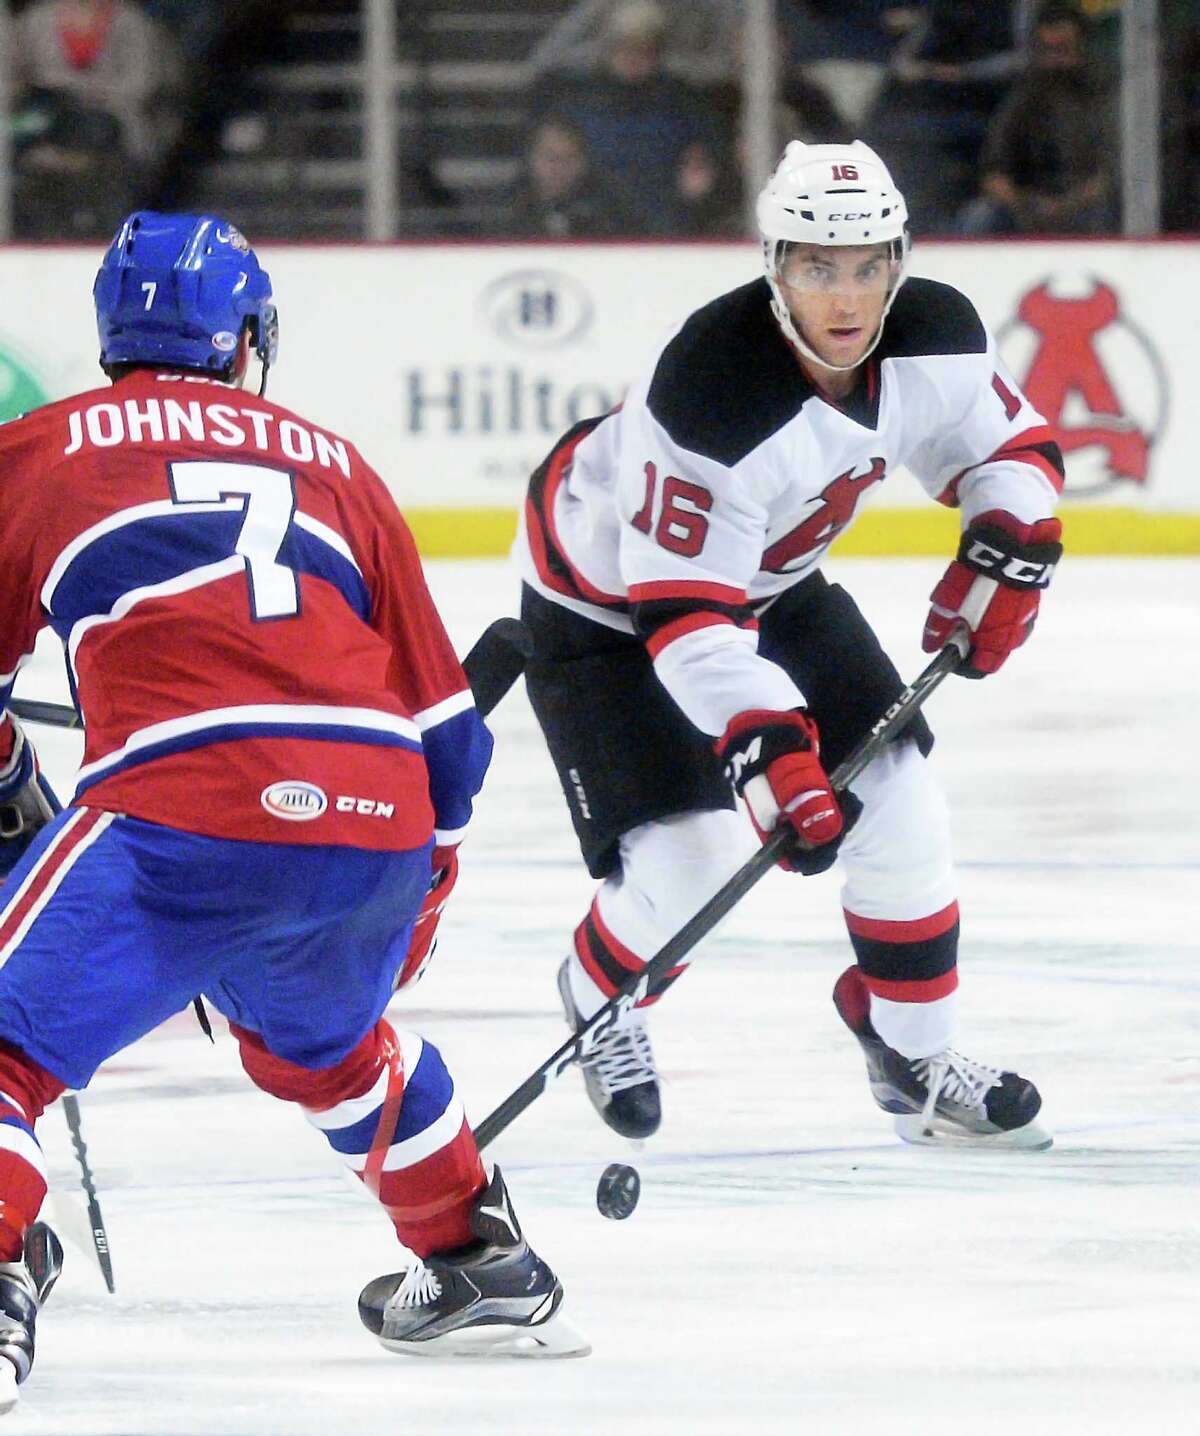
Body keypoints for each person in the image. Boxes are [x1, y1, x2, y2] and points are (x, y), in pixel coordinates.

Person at [0, 212, 587, 1411]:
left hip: (183, 804)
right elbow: (447, 734)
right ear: (246, 337)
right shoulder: (334, 460)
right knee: (325, 1049)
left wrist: (10, 773)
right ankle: (478, 1255)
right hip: (375, 813)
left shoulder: (46, 448)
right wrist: (414, 891)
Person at [515, 140, 1063, 1151]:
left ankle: (914, 1052)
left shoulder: (934, 334)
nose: (847, 297)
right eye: (817, 266)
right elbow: (681, 617)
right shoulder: (711, 391)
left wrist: (1010, 540)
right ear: (775, 266)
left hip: (772, 584)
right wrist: (766, 742)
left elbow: (1010, 451)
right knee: (688, 861)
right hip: (607, 614)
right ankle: (598, 994)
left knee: (900, 799)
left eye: (867, 265)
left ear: (898, 259)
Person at [958, 5, 1115, 235]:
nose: (1053, 60)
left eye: (1062, 49)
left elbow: (1112, 177)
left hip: (1085, 206)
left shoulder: (1104, 97)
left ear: (1083, 47)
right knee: (980, 216)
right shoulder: (1023, 97)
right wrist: (1024, 204)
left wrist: (1066, 205)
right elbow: (994, 171)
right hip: (1028, 207)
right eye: (1046, 50)